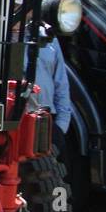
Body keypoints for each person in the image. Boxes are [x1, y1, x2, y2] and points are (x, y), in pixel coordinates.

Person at [33, 23, 73, 152]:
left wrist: (61, 125)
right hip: (12, 121)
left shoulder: (48, 36)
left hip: (46, 121)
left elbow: (61, 83)